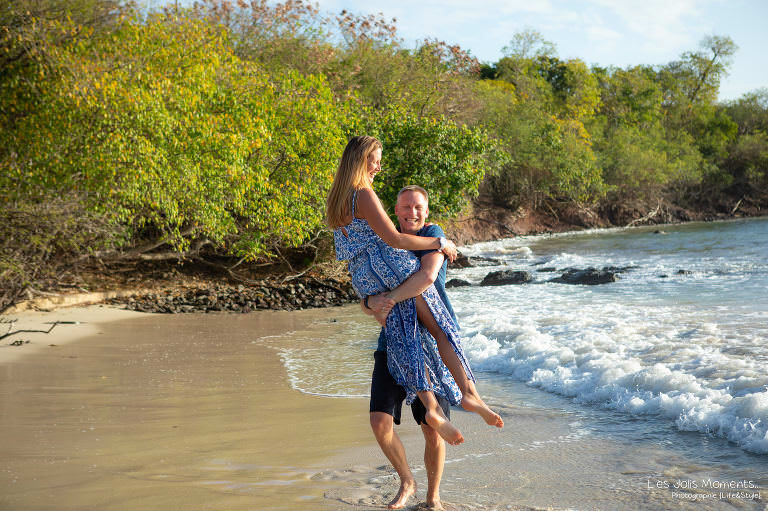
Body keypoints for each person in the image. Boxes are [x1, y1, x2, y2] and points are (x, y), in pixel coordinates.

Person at [326, 135, 502, 449]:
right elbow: (395, 239)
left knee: (407, 335)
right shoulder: (363, 193)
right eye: (375, 160)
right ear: (360, 160)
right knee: (441, 329)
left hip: (366, 276)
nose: (378, 167)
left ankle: (432, 409)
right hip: (392, 266)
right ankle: (470, 396)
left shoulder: (337, 199)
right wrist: (439, 243)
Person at [361, 185, 459, 510]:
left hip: (430, 347)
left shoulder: (433, 234)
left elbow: (428, 275)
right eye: (406, 207)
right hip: (390, 343)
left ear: (426, 212)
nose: (412, 213)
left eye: (418, 207)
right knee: (379, 422)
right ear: (396, 210)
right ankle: (407, 480)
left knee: (432, 427)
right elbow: (369, 294)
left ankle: (433, 498)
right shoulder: (386, 242)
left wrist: (385, 299)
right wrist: (369, 301)